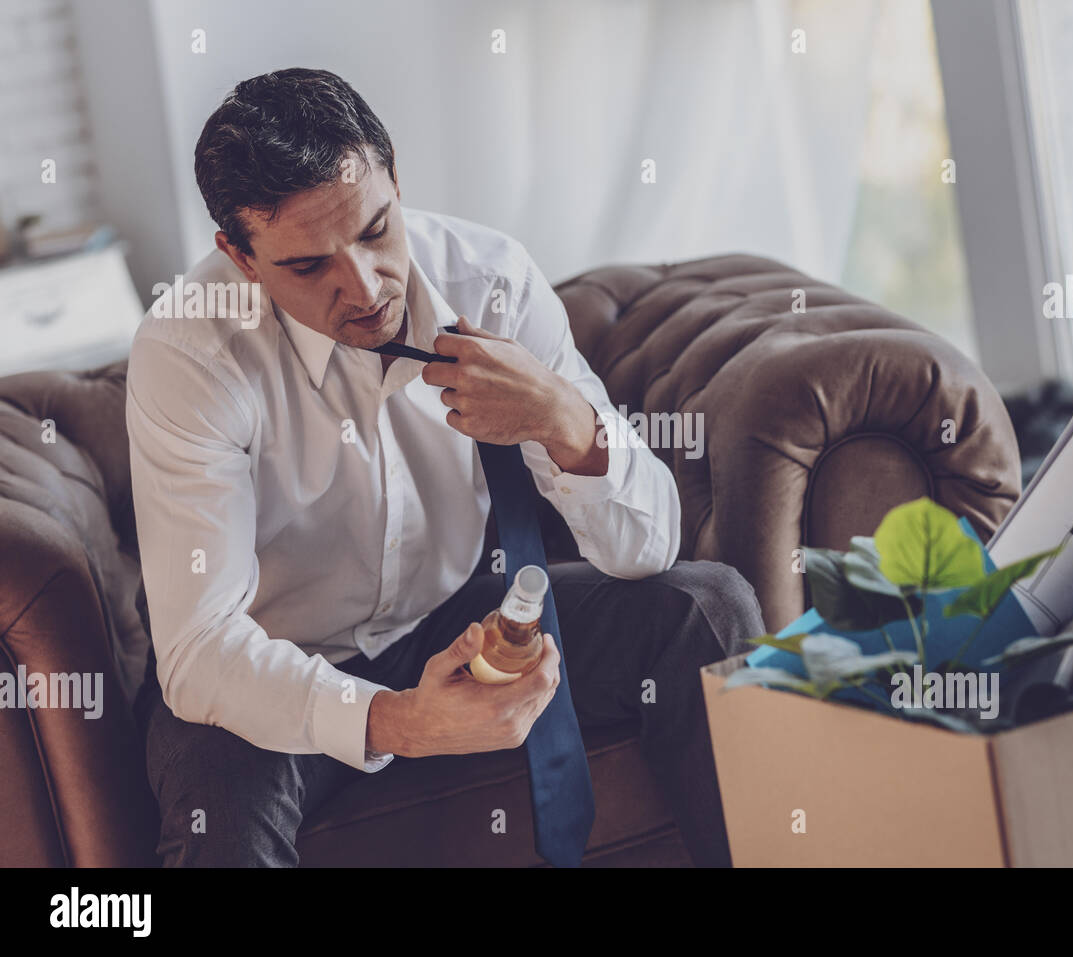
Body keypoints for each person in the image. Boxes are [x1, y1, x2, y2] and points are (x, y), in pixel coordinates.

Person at [125, 67, 765, 868]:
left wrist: (565, 418)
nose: (362, 287)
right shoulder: (190, 352)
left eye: (373, 230)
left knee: (707, 607)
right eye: (308, 265)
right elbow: (200, 648)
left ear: (394, 175)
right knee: (221, 827)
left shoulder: (490, 282)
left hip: (455, 614)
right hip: (273, 658)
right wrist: (399, 720)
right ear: (242, 257)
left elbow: (646, 548)